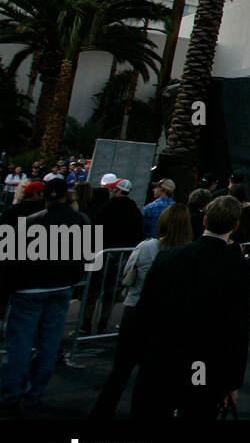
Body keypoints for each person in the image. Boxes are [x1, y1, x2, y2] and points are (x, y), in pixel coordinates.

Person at [131, 196, 250, 419]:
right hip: (204, 364)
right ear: (235, 227)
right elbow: (237, 329)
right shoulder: (239, 269)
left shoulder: (168, 257)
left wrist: (141, 352)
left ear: (205, 221)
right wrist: (232, 381)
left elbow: (145, 310)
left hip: (162, 357)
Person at [91, 203, 193, 419]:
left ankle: (102, 410)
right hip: (166, 315)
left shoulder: (147, 247)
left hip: (136, 308)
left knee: (121, 369)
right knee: (154, 372)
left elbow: (129, 271)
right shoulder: (187, 252)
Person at [0, 178, 89, 416]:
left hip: (29, 290)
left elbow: (9, 261)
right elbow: (87, 258)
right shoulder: (80, 221)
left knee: (19, 344)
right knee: (48, 345)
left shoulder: (29, 223)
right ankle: (35, 394)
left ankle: (11, 394)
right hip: (60, 289)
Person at [98, 176, 144, 250]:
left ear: (118, 190)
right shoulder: (135, 209)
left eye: (111, 189)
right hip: (125, 252)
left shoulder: (107, 208)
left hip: (106, 250)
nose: (109, 191)